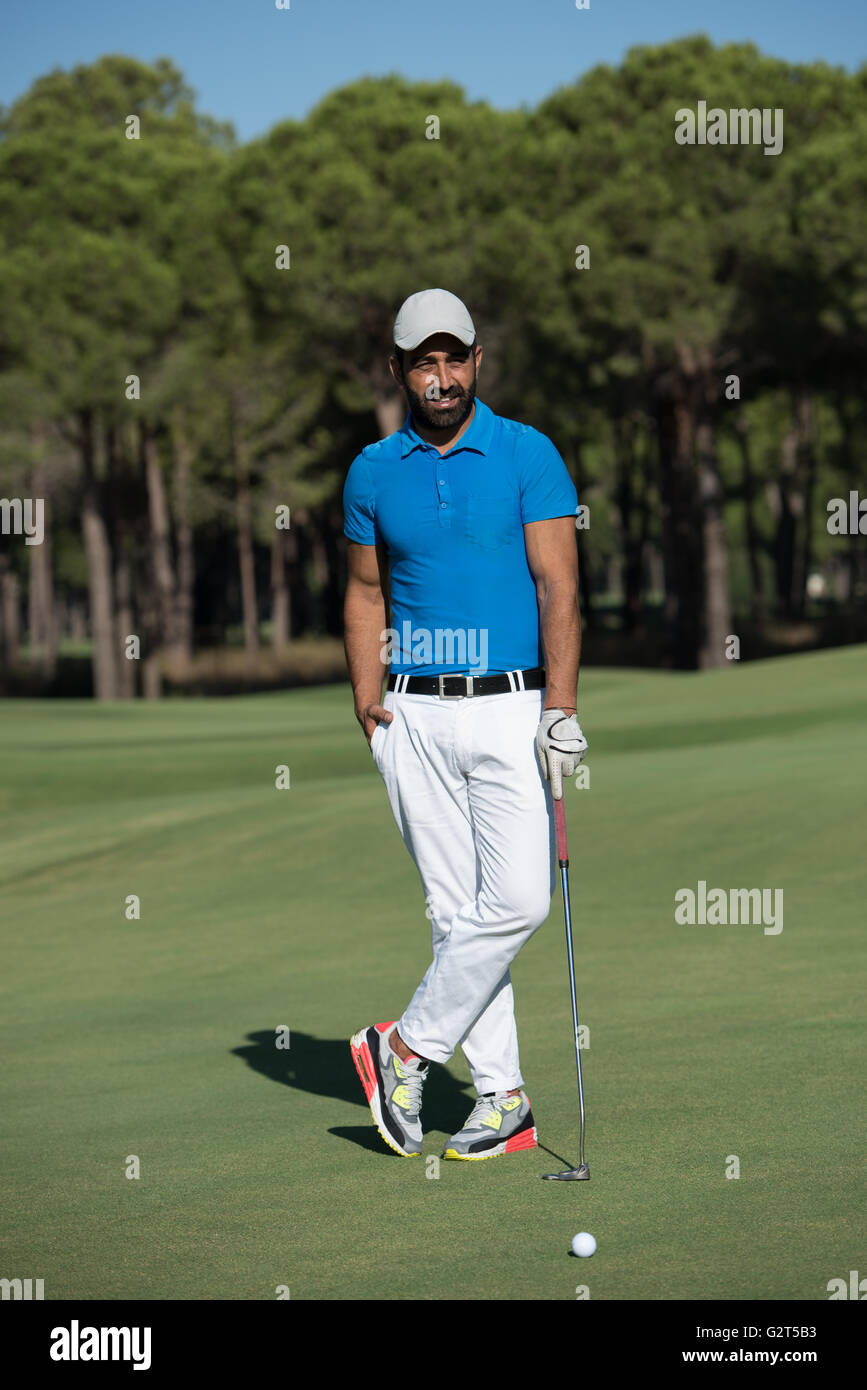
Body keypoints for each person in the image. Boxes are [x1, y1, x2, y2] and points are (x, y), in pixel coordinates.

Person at [344, 288, 588, 1160]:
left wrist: (559, 709)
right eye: (422, 361)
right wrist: (368, 701)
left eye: (452, 358)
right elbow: (366, 590)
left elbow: (559, 585)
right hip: (410, 712)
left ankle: (402, 1047)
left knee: (517, 900)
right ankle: (504, 1100)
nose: (439, 377)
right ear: (400, 370)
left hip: (512, 705)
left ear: (477, 359)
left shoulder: (527, 453)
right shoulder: (373, 470)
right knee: (455, 916)